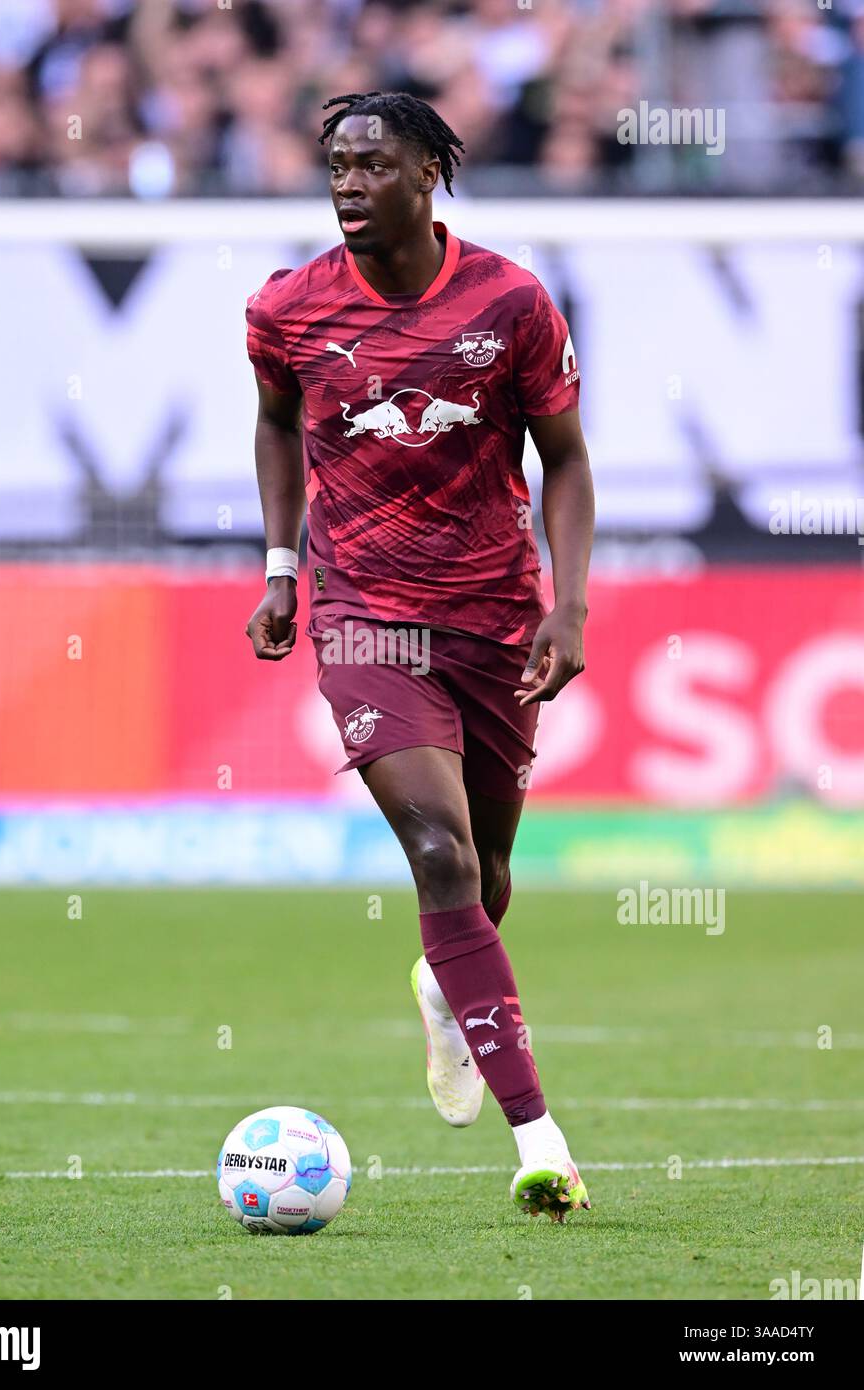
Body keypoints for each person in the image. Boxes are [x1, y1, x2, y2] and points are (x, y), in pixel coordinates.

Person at [245, 90, 594, 1220]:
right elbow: (277, 418)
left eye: (373, 165)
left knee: (485, 883)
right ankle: (541, 1141)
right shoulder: (288, 307)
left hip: (496, 616)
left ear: (427, 175)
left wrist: (571, 604)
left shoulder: (512, 301)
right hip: (365, 613)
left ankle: (447, 985)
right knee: (440, 854)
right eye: (336, 166)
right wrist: (280, 570)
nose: (349, 185)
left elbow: (568, 460)